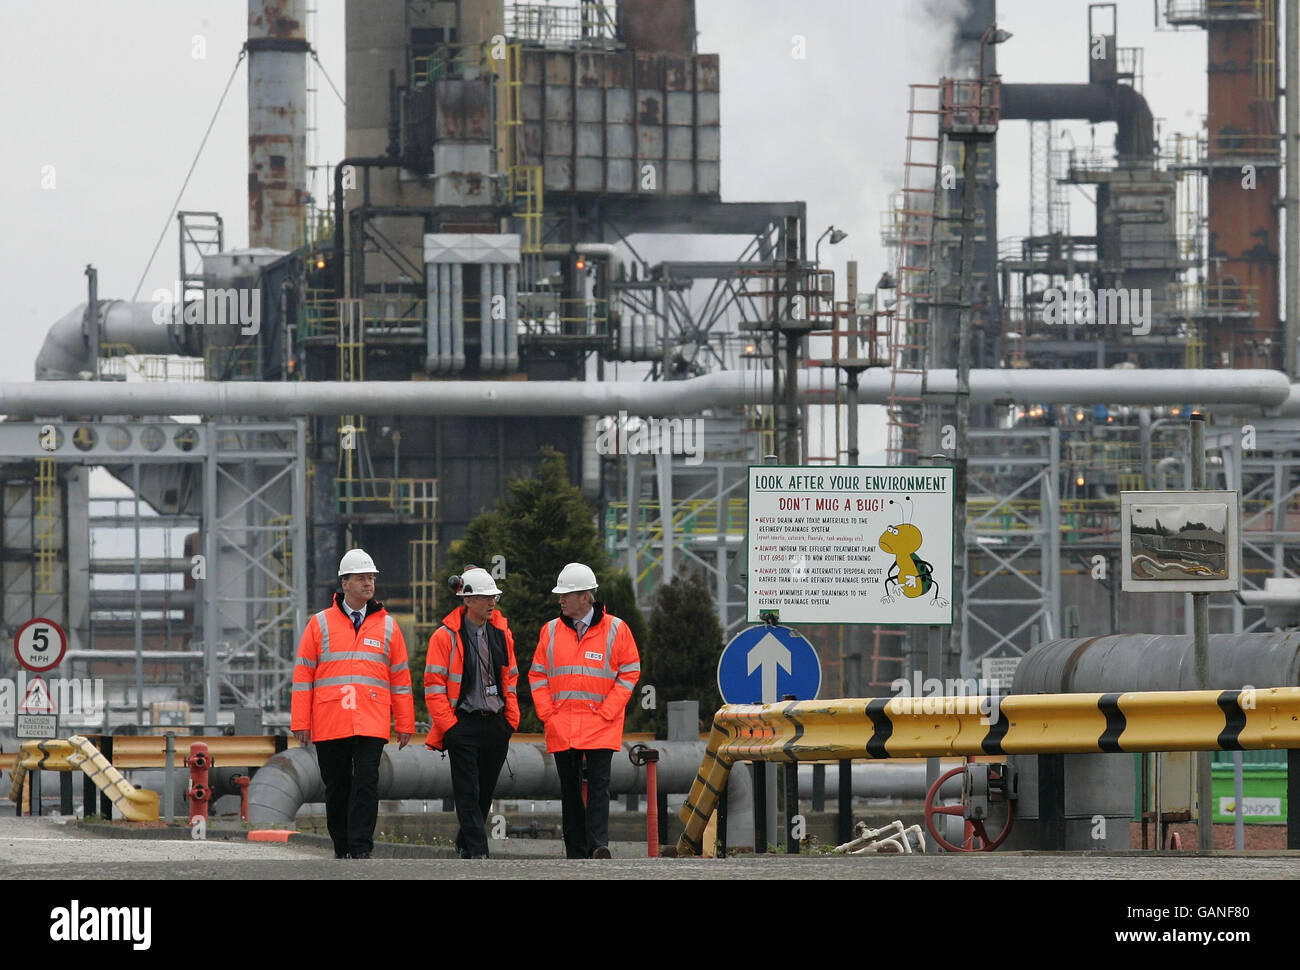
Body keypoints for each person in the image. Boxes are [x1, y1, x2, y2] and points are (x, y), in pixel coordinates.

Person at [291, 548, 413, 859]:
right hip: (331, 721)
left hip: (371, 721)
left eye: (371, 578)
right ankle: (342, 846)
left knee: (367, 785)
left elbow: (400, 677)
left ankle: (361, 849)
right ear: (344, 583)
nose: (368, 583)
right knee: (337, 787)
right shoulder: (319, 624)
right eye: (361, 578)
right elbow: (303, 675)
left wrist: (405, 722)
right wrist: (300, 722)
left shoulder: (388, 626)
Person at [529, 562, 640, 859]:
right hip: (562, 724)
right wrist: (547, 713)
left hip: (601, 723)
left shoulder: (616, 629)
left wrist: (608, 710)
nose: (560, 600)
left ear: (586, 597)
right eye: (561, 595)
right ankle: (576, 849)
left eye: (566, 595)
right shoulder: (550, 631)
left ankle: (597, 844)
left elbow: (630, 671)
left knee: (600, 788)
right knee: (570, 790)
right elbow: (537, 674)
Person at [423, 565, 520, 859]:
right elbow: (433, 685)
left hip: (495, 722)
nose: (491, 603)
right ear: (467, 601)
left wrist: (510, 719)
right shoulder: (444, 637)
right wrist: (449, 727)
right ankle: (479, 852)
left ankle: (466, 842)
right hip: (462, 724)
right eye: (484, 597)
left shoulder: (502, 634)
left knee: (484, 791)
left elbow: (511, 677)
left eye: (493, 597)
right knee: (466, 789)